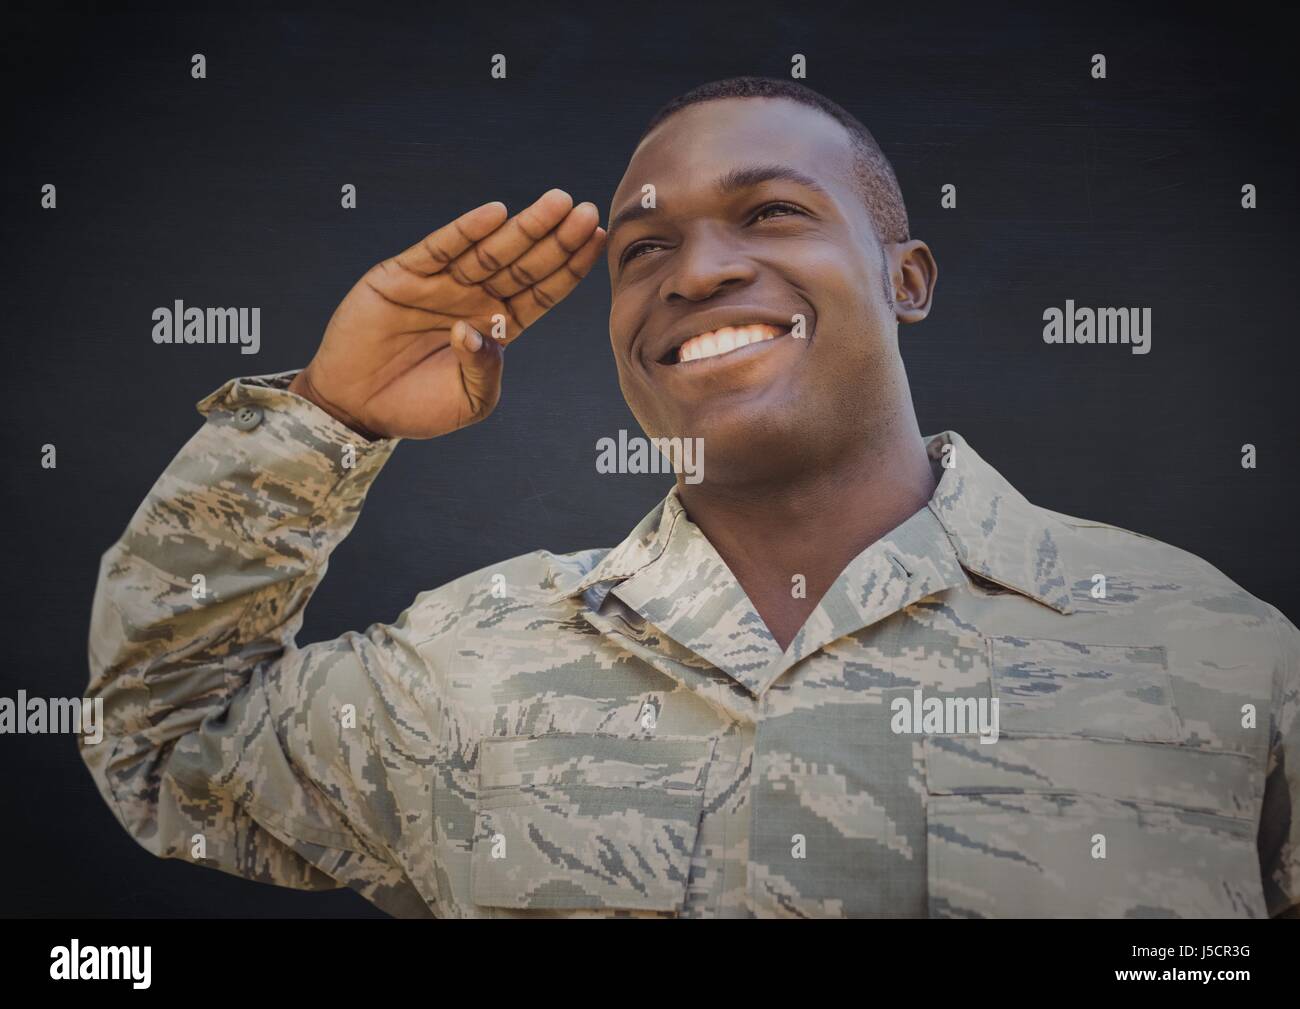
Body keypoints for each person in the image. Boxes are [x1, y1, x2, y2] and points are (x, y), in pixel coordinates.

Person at [80, 77, 1299, 918]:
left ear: (906, 278)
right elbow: (166, 742)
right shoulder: (459, 669)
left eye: (772, 212)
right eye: (643, 250)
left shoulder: (1217, 654)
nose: (701, 269)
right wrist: (324, 419)